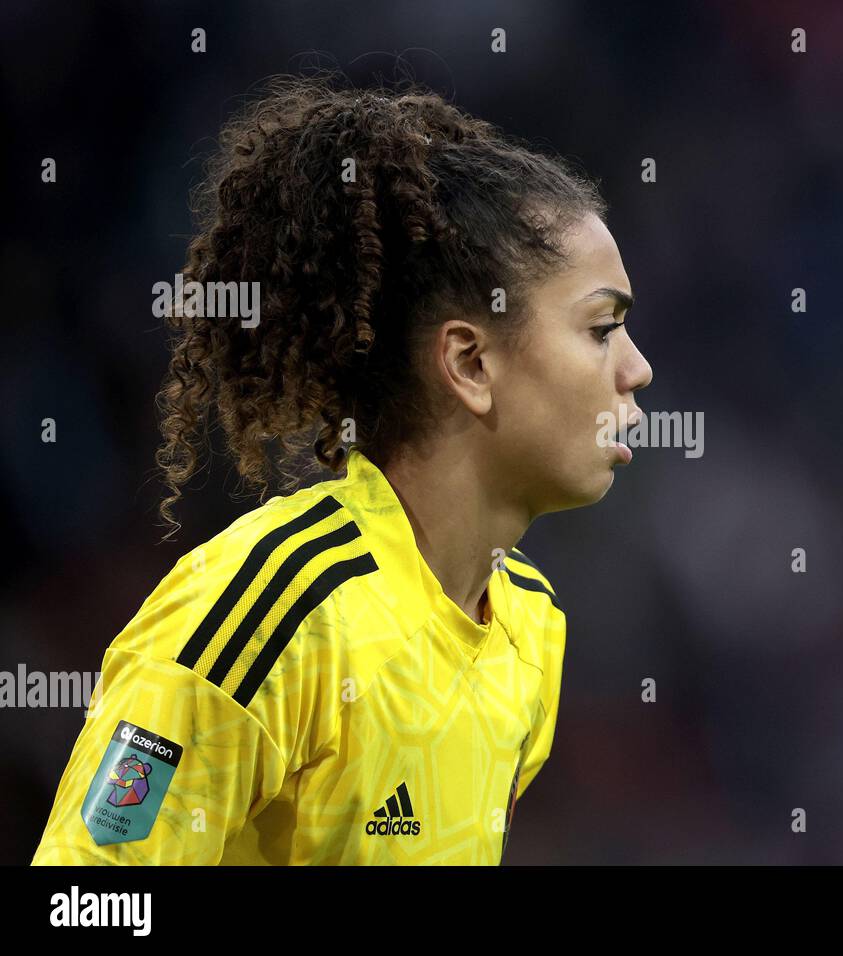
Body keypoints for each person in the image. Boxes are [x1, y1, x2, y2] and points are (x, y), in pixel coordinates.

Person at [31, 77, 652, 865]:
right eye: (602, 328)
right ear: (468, 361)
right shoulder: (268, 611)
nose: (638, 369)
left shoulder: (531, 629)